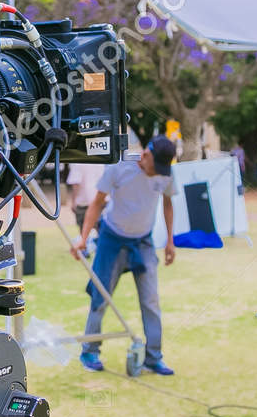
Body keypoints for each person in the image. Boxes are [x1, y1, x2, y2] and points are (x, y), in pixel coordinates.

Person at [70, 135, 179, 375]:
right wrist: (83, 237)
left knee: (151, 301)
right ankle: (90, 351)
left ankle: (153, 357)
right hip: (112, 239)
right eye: (155, 166)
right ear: (146, 154)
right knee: (100, 296)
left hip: (143, 242)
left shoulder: (165, 172)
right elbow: (96, 204)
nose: (157, 173)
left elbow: (168, 204)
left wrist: (170, 241)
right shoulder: (119, 167)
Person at [65, 161, 105, 249]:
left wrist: (73, 201)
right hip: (100, 201)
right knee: (101, 231)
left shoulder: (78, 162)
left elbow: (76, 182)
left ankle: (84, 249)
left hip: (84, 202)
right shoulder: (101, 160)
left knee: (83, 232)